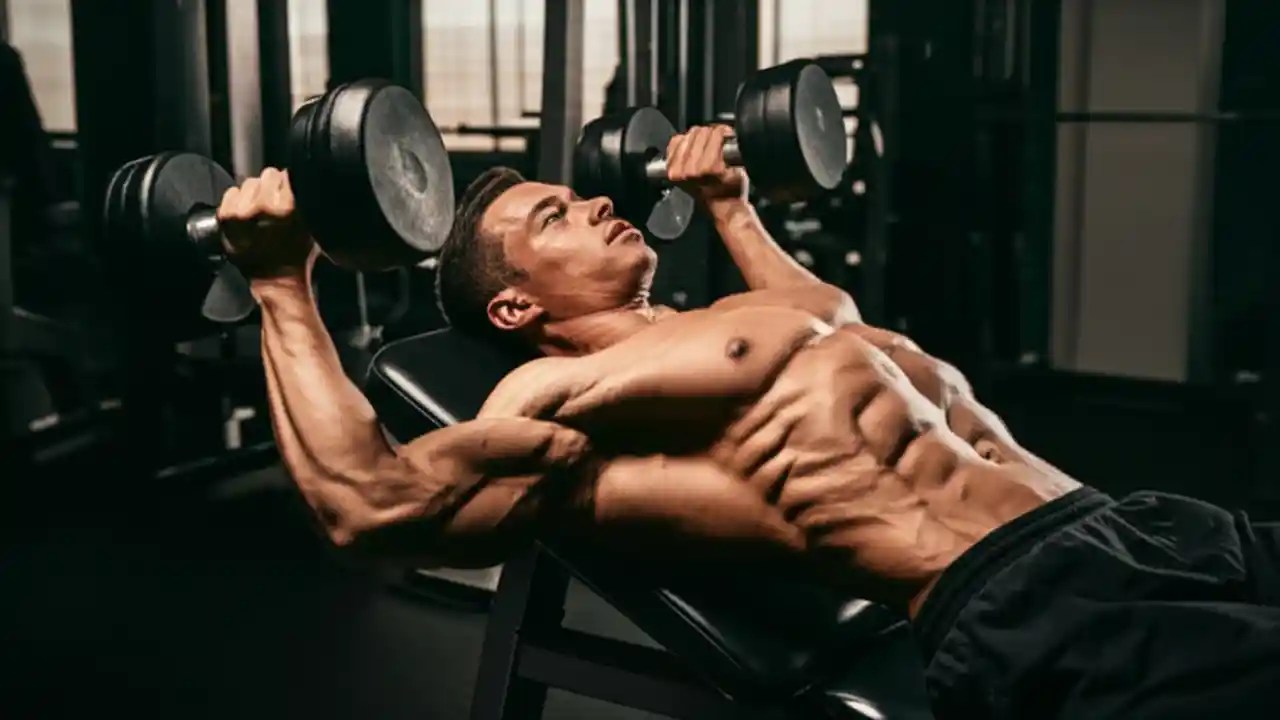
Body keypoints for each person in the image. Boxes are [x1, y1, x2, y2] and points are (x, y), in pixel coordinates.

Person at [220, 126, 1280, 719]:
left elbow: (835, 324)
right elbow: (369, 504)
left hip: (1147, 527)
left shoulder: (735, 316)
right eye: (552, 217)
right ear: (515, 308)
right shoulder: (553, 399)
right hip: (1030, 600)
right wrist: (280, 284)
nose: (590, 203)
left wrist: (731, 207)